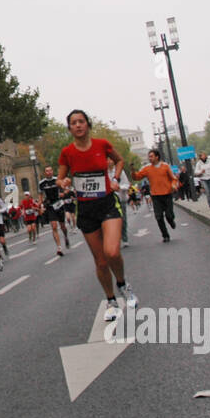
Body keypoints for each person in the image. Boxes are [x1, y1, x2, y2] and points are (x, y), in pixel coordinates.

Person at [57, 109, 136, 323]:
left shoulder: (102, 145)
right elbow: (60, 177)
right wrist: (62, 182)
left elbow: (119, 161)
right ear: (70, 128)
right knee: (100, 261)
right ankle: (111, 301)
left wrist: (116, 178)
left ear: (87, 124)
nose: (78, 125)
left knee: (112, 252)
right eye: (73, 123)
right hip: (86, 209)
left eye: (81, 121)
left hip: (107, 204)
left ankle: (122, 284)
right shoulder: (67, 152)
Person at [133, 149, 178, 242]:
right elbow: (137, 177)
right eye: (149, 156)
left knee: (169, 215)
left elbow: (173, 179)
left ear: (157, 157)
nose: (149, 158)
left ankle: (171, 221)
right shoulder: (147, 168)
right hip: (156, 196)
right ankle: (165, 235)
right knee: (158, 216)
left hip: (167, 194)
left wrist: (173, 185)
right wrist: (133, 171)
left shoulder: (165, 166)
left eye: (151, 156)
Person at [37, 166, 70, 256]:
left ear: (52, 171)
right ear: (45, 173)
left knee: (63, 226)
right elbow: (40, 195)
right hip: (50, 206)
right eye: (47, 171)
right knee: (54, 226)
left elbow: (66, 189)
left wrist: (63, 193)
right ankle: (59, 247)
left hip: (59, 204)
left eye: (50, 170)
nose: (49, 172)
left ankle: (66, 236)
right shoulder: (42, 183)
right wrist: (39, 204)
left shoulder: (57, 180)